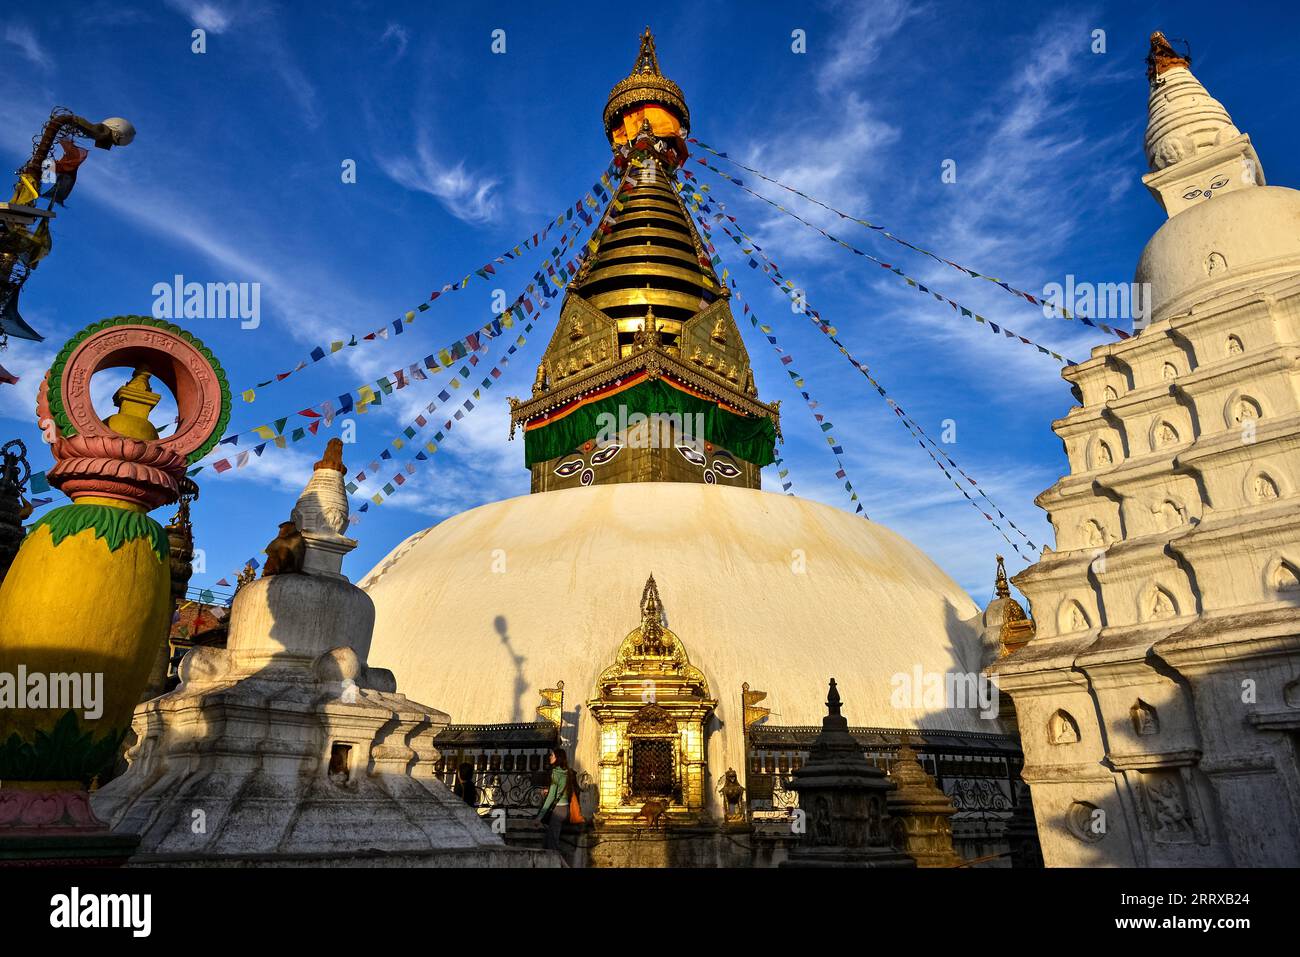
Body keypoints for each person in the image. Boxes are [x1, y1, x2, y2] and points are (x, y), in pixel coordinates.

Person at [538, 746, 576, 851]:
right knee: (548, 840)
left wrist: (540, 815)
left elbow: (551, 797)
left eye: (552, 755)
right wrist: (550, 790)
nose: (550, 757)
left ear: (557, 758)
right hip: (565, 809)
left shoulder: (556, 772)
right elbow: (562, 789)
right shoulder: (567, 772)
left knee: (553, 844)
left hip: (558, 811)